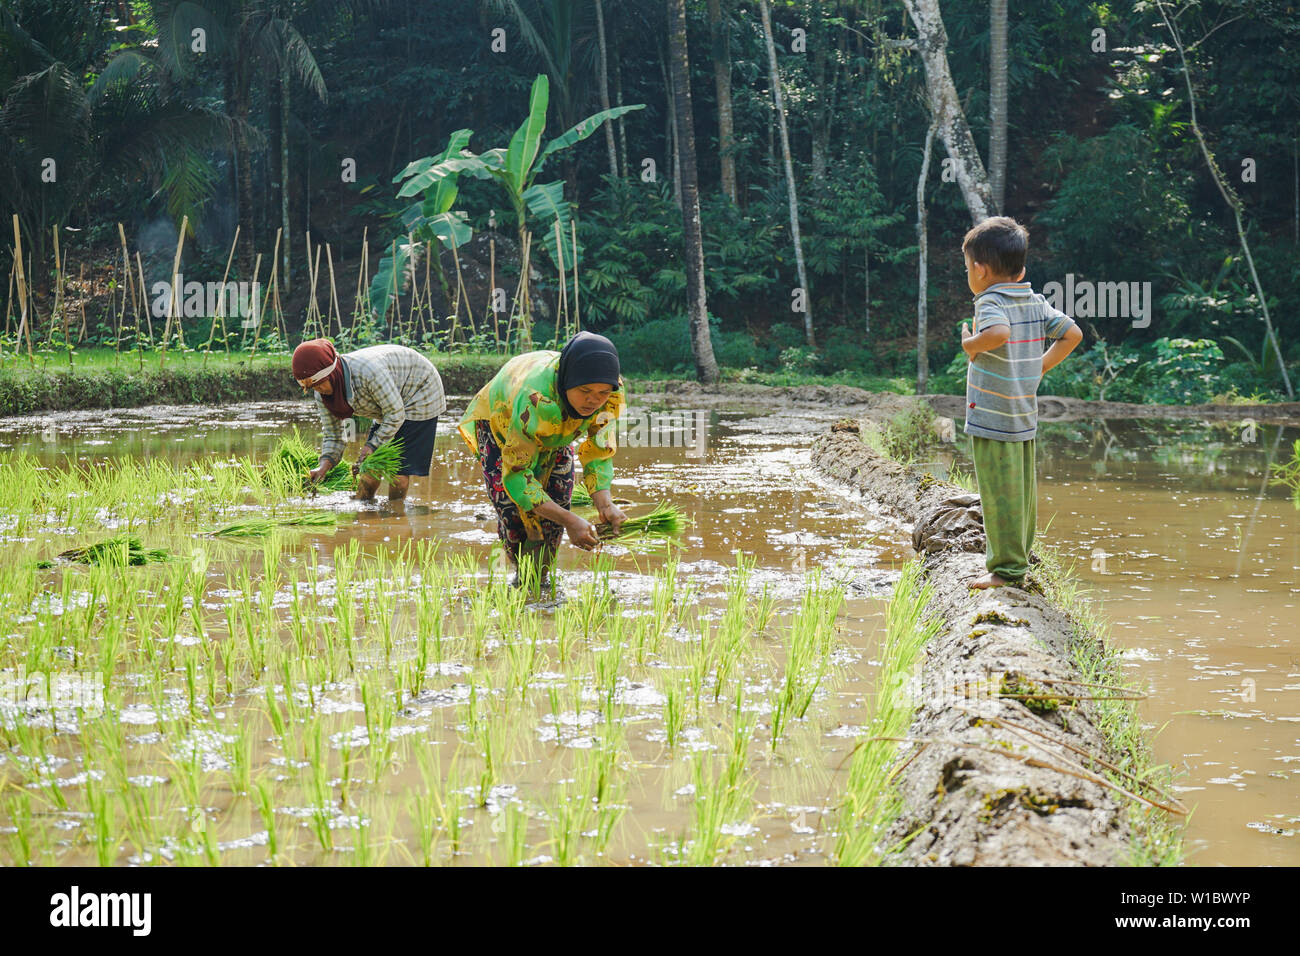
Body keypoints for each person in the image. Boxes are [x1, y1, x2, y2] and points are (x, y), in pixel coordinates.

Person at [959, 216, 1083, 589]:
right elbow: (1072, 333)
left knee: (997, 495)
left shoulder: (990, 301)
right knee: (1020, 493)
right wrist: (1038, 367)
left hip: (993, 419)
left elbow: (997, 333)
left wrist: (970, 343)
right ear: (1021, 270)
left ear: (979, 270)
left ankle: (1006, 570)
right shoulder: (1034, 300)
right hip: (1023, 417)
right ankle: (1018, 559)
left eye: (967, 267)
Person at [458, 331, 627, 587]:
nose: (594, 399)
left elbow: (599, 450)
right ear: (567, 380)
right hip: (503, 425)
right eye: (585, 390)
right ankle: (523, 580)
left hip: (555, 433)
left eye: (602, 392)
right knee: (512, 508)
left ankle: (538, 583)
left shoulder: (611, 395)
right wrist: (572, 521)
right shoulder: (537, 398)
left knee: (558, 500)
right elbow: (516, 474)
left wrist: (605, 504)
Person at [291, 339, 447, 502]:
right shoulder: (323, 395)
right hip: (391, 402)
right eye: (312, 388)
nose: (318, 390)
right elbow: (336, 434)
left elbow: (395, 415)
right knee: (370, 468)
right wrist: (324, 466)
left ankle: (396, 513)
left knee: (398, 472)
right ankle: (364, 508)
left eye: (320, 384)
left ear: (332, 373)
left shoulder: (368, 373)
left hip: (420, 390)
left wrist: (371, 446)